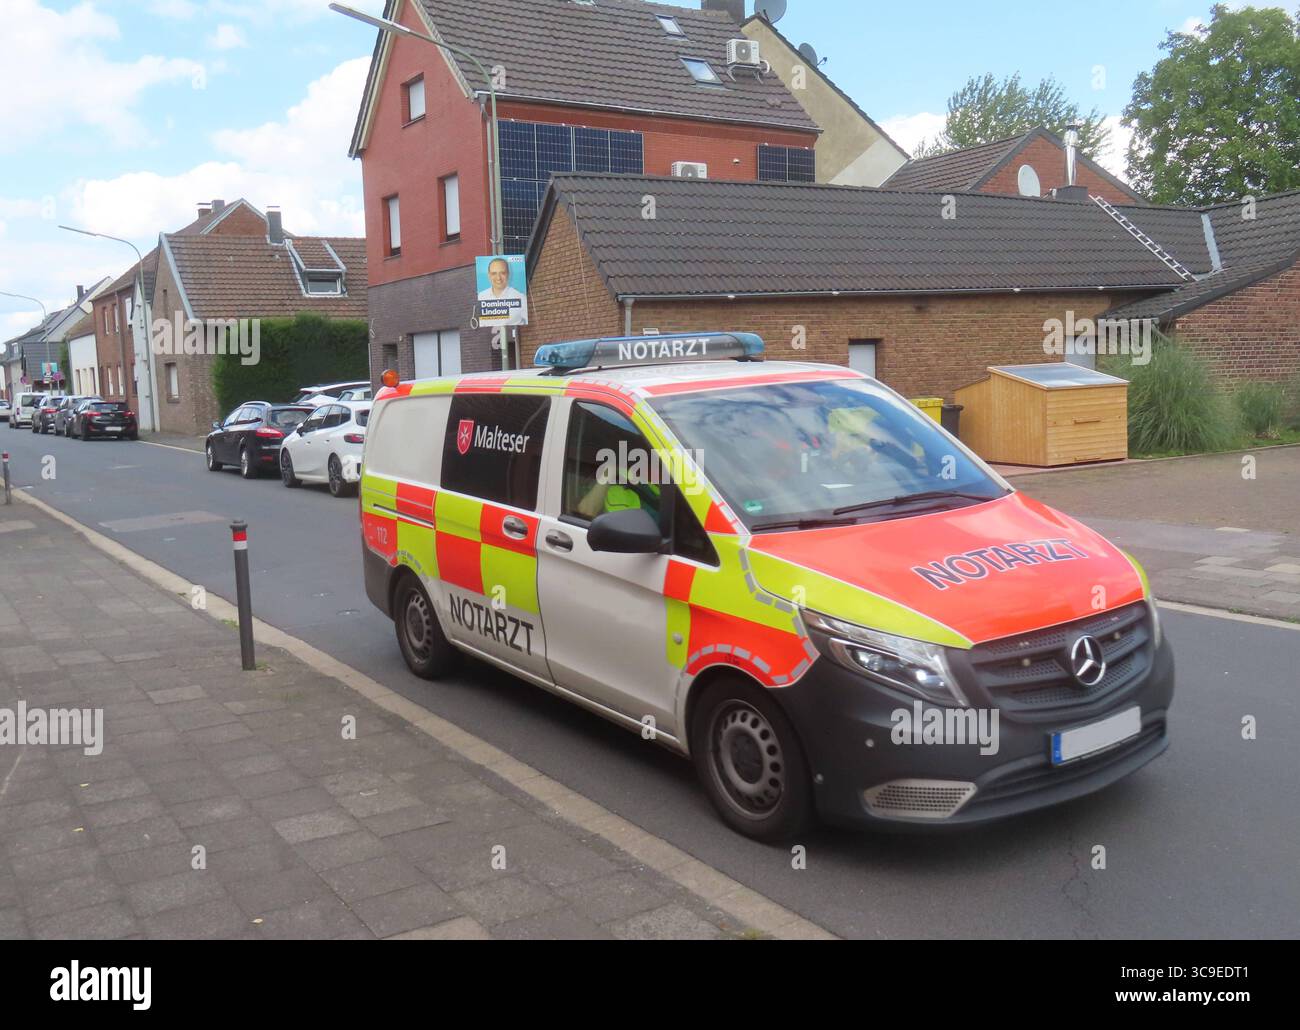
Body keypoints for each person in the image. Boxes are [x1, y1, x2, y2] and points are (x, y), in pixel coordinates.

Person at [477, 257, 528, 326]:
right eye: (494, 273)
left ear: (508, 274)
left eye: (502, 273)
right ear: (489, 275)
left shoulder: (520, 297)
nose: (498, 278)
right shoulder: (481, 296)